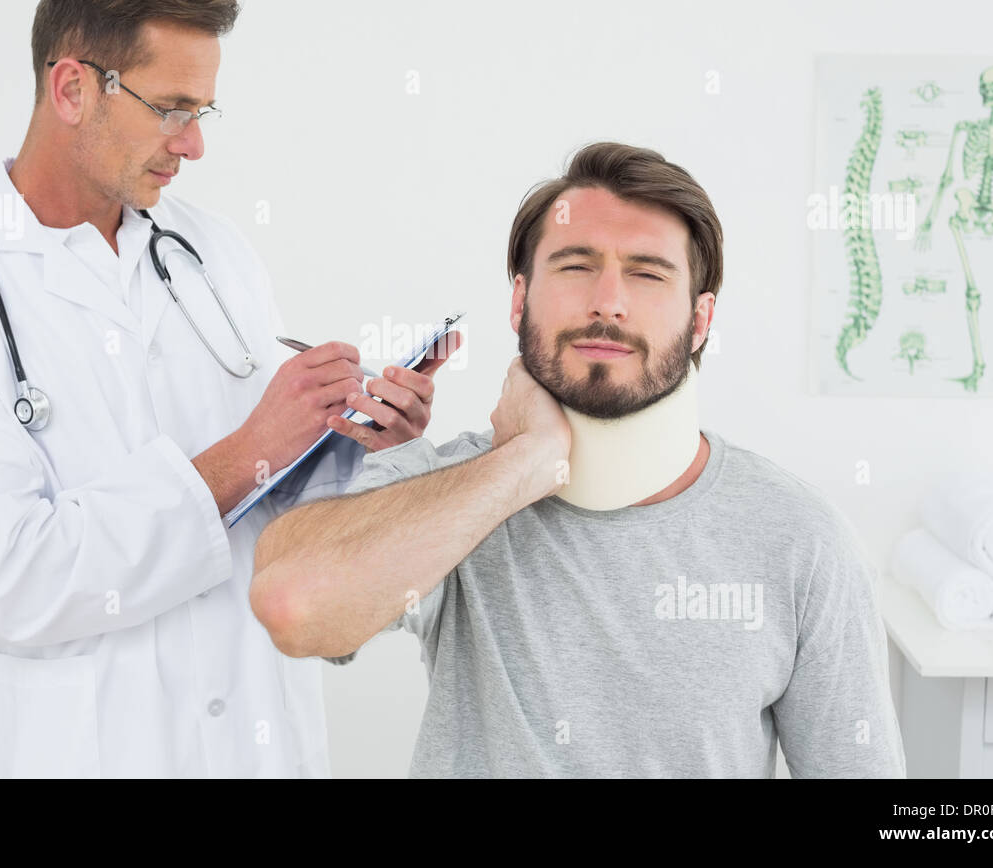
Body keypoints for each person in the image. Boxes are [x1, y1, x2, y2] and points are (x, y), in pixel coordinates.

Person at [0, 0, 459, 778]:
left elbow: (273, 509)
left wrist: (352, 441)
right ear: (72, 88)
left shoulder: (213, 254)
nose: (193, 147)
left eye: (203, 113)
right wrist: (249, 449)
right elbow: (5, 580)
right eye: (171, 108)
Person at [251, 142, 907, 778]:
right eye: (574, 264)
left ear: (701, 319)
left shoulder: (799, 540)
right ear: (519, 299)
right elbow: (292, 602)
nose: (608, 301)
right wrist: (524, 462)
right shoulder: (445, 488)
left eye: (648, 272)